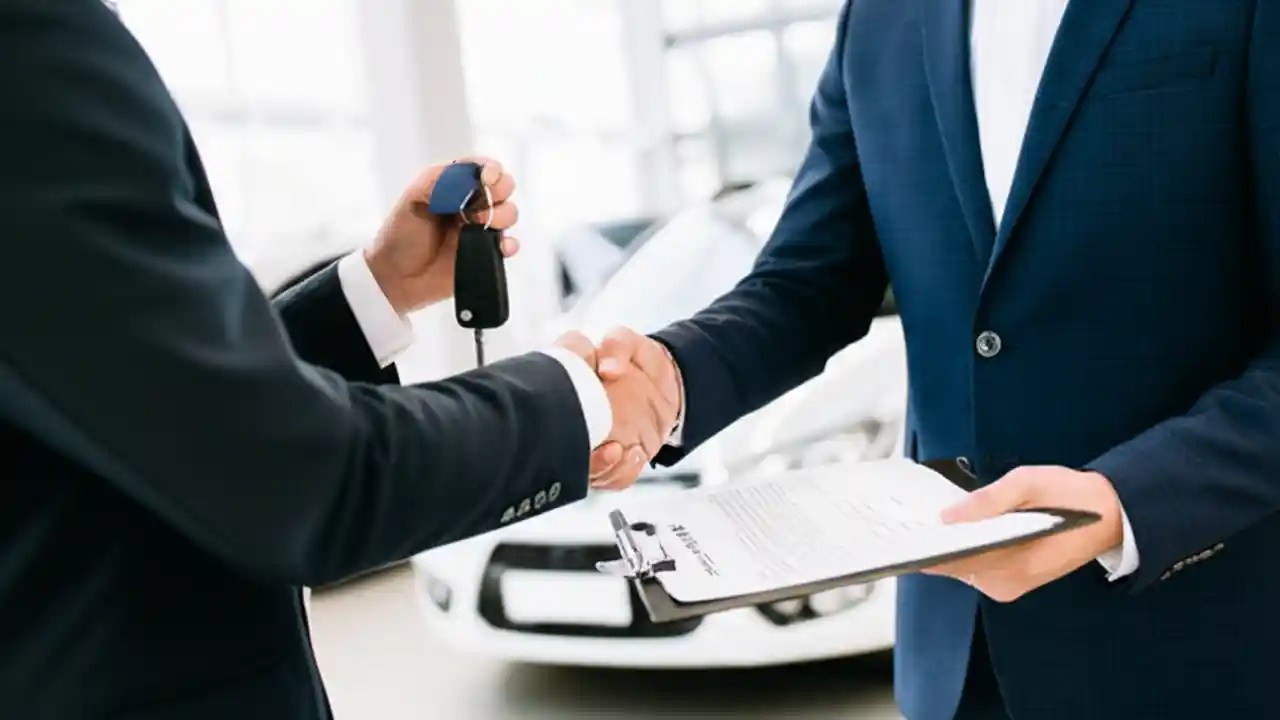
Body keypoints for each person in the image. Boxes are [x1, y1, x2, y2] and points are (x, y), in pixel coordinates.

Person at [586, 1, 1280, 719]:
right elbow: (808, 282)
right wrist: (670, 375)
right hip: (954, 660)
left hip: (1200, 642)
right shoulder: (880, 18)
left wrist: (1125, 500)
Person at [0, 1, 675, 717]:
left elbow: (144, 405)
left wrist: (376, 289)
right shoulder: (29, 40)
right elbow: (284, 472)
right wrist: (579, 398)